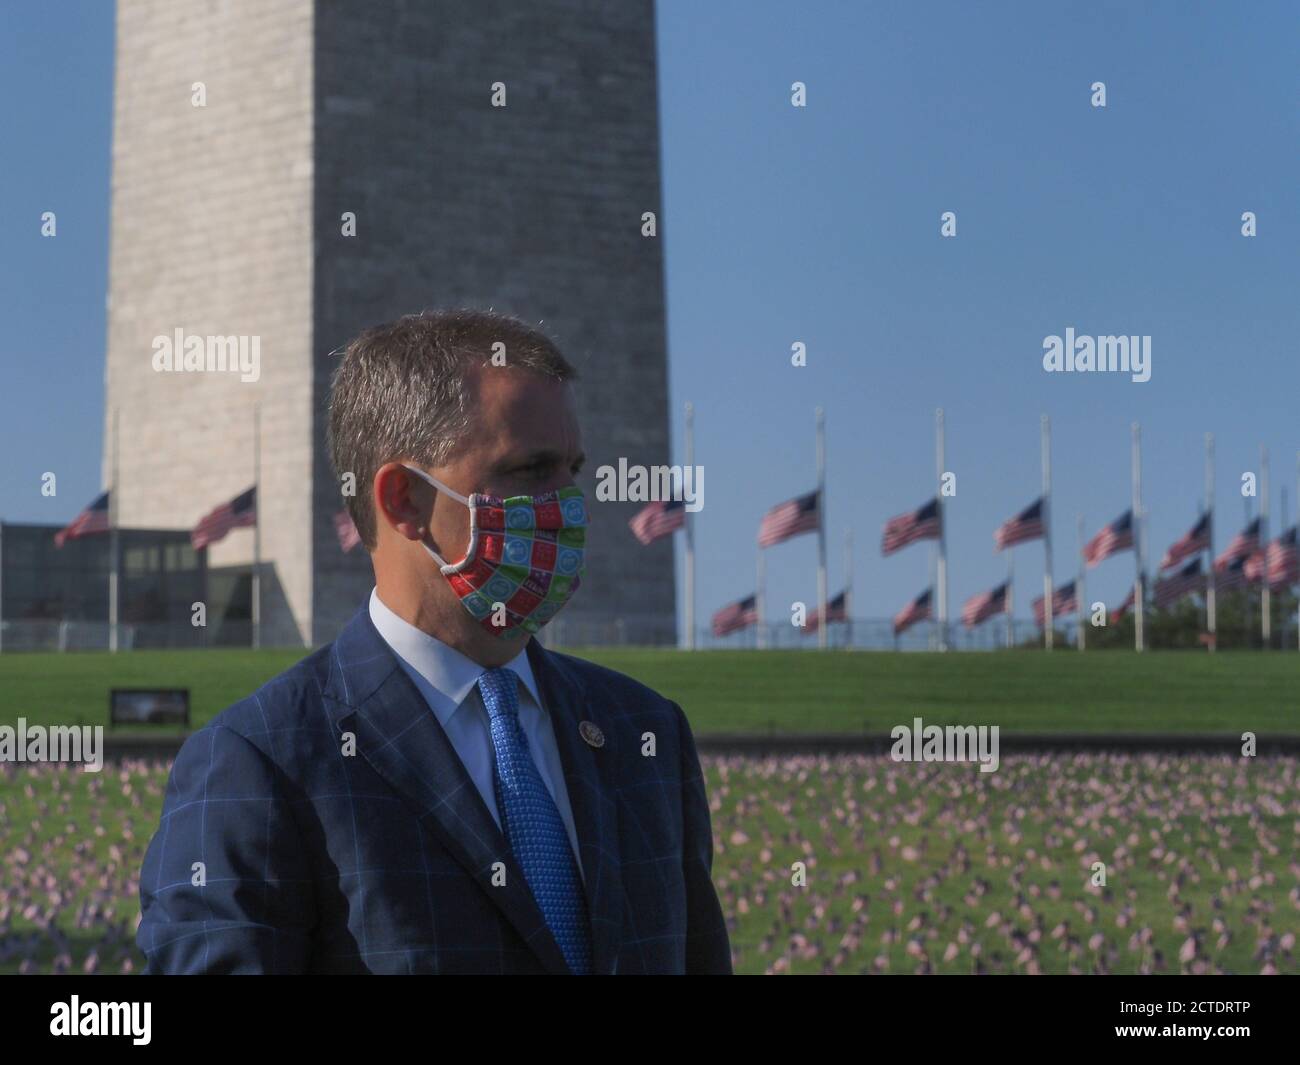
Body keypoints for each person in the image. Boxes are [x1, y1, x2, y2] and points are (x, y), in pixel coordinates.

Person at [135, 308, 732, 974]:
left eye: (573, 470)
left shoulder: (645, 735)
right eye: (532, 470)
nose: (568, 504)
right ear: (406, 502)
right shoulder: (264, 764)